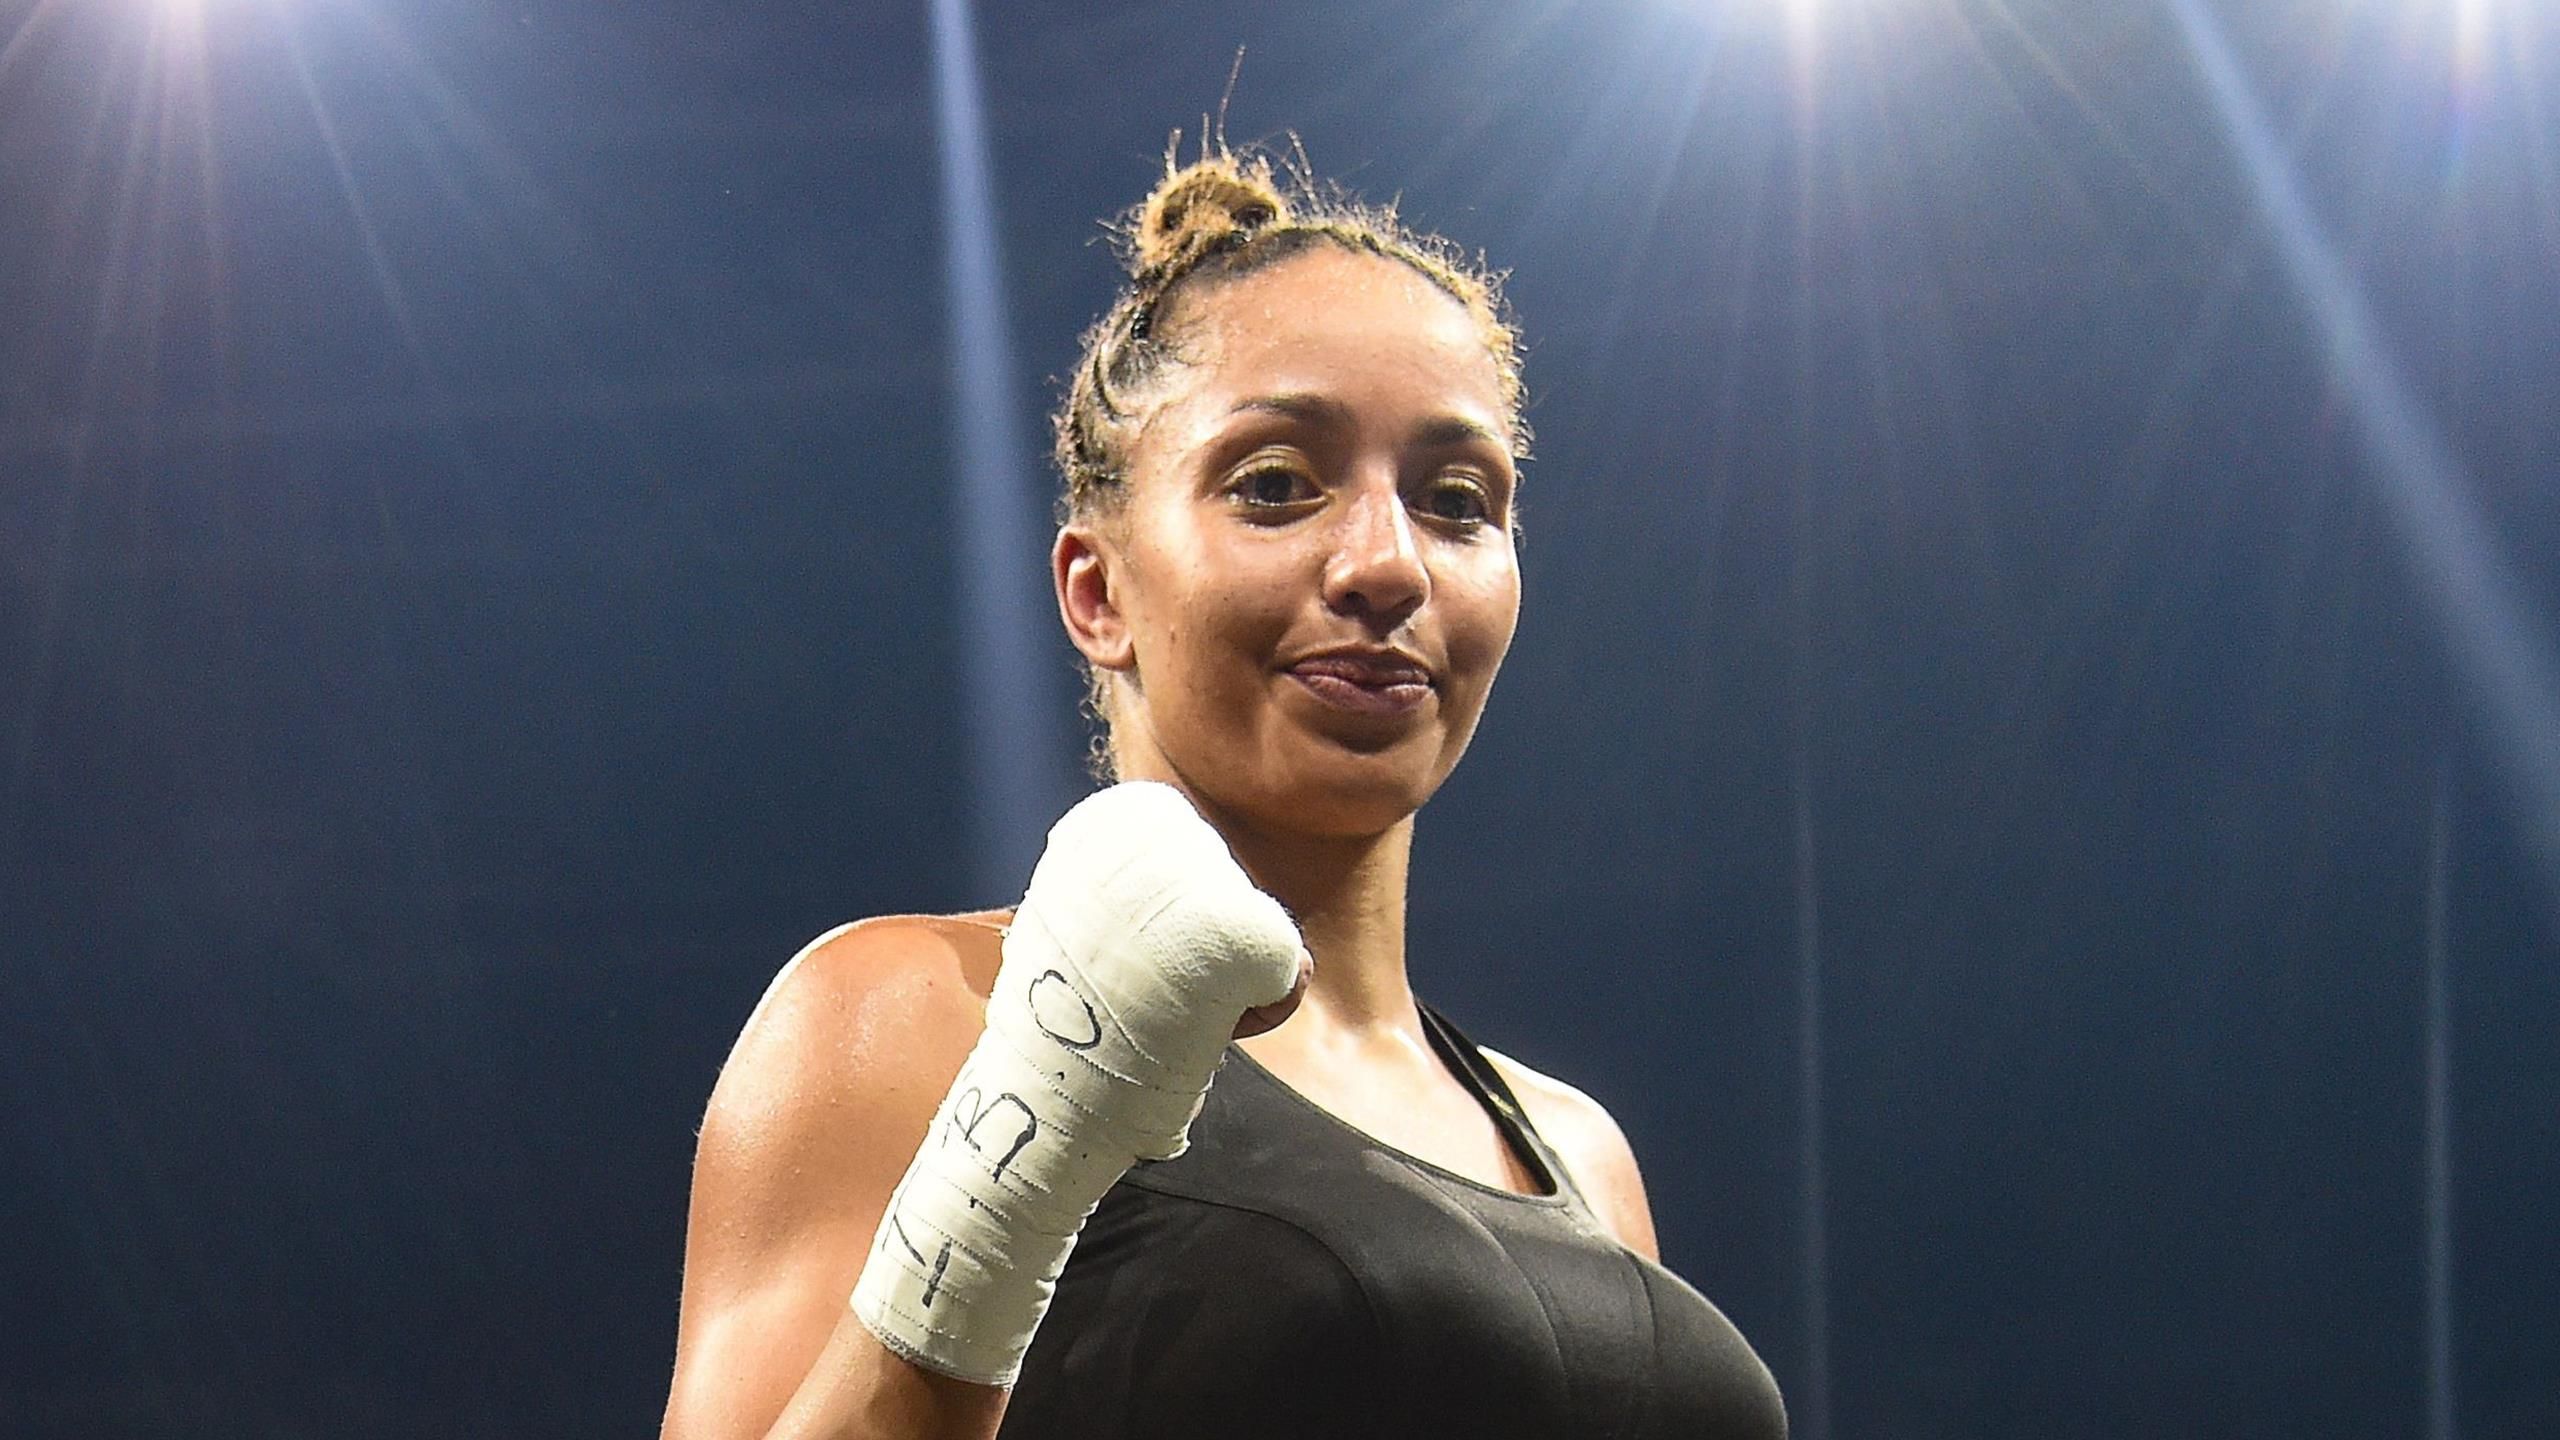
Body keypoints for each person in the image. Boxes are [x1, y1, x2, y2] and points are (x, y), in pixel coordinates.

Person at [658, 146, 1787, 1440]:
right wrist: (1024, 1132)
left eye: (1456, 502)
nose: (1385, 564)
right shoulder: (910, 1020)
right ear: (1100, 592)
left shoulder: (1580, 1154)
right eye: (1276, 485)